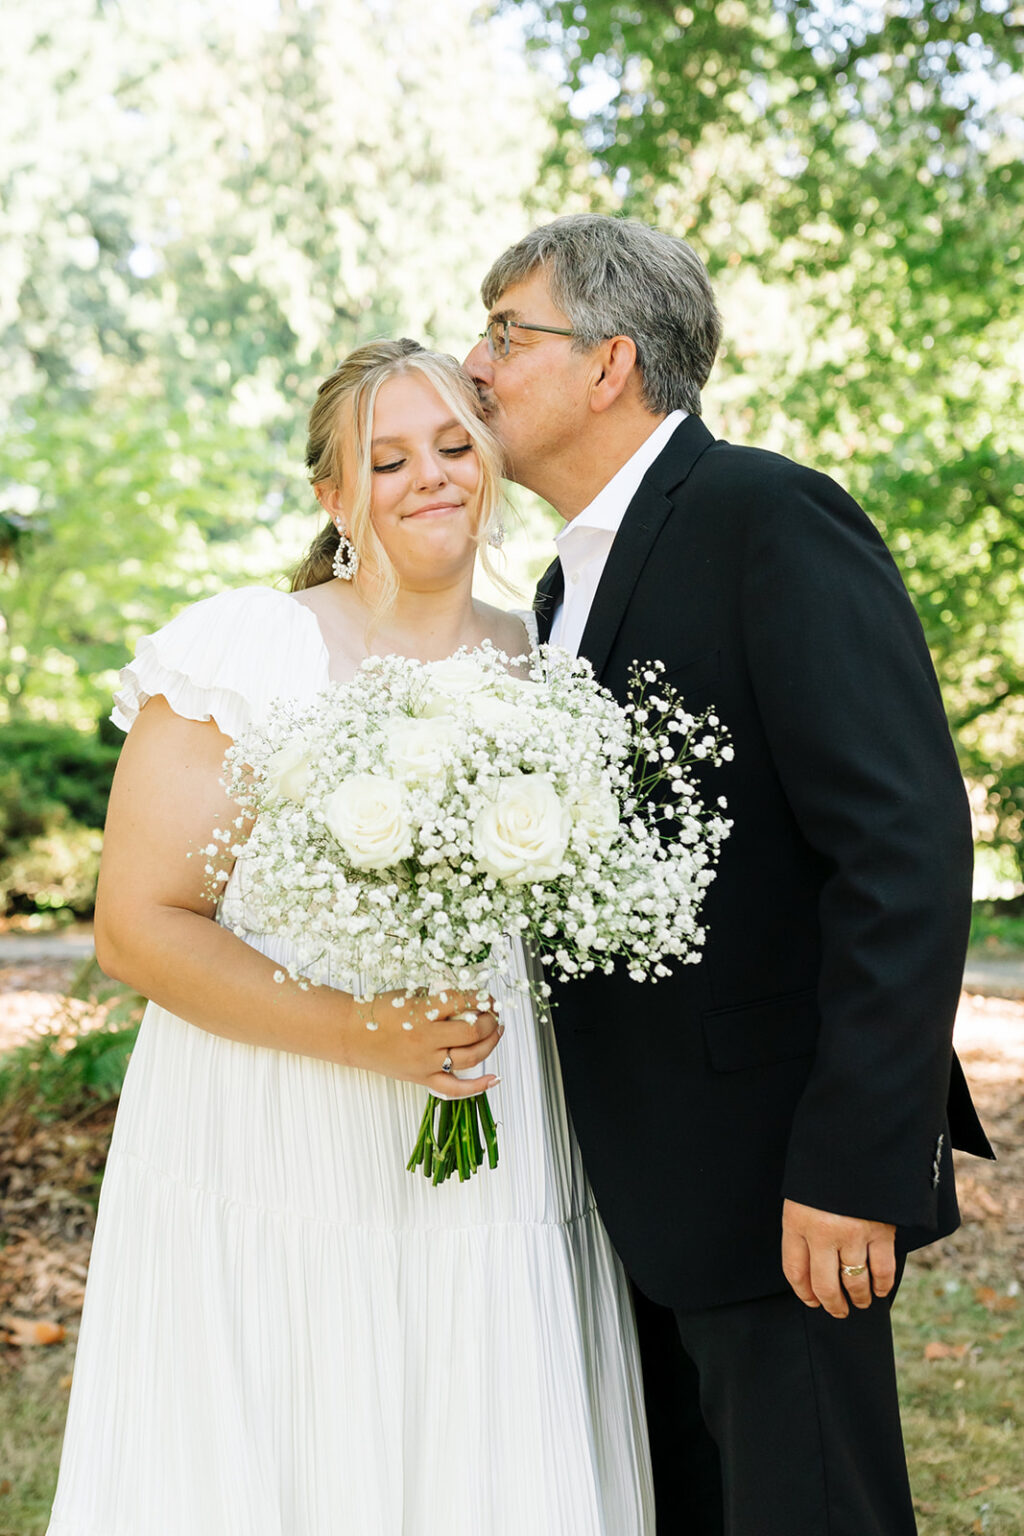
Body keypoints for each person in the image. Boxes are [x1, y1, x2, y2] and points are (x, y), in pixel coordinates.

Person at [47, 339, 655, 1536]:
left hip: (489, 1115)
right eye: (385, 460)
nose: (428, 478)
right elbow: (135, 928)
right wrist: (363, 1032)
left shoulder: (545, 656)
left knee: (474, 1404)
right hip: (274, 1125)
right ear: (333, 496)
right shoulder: (247, 652)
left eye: (451, 447)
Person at [464, 215, 994, 1536]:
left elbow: (902, 849)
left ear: (609, 363)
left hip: (782, 1181)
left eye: (505, 332)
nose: (475, 365)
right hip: (626, 1184)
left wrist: (855, 1163)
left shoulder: (767, 514)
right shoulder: (552, 590)